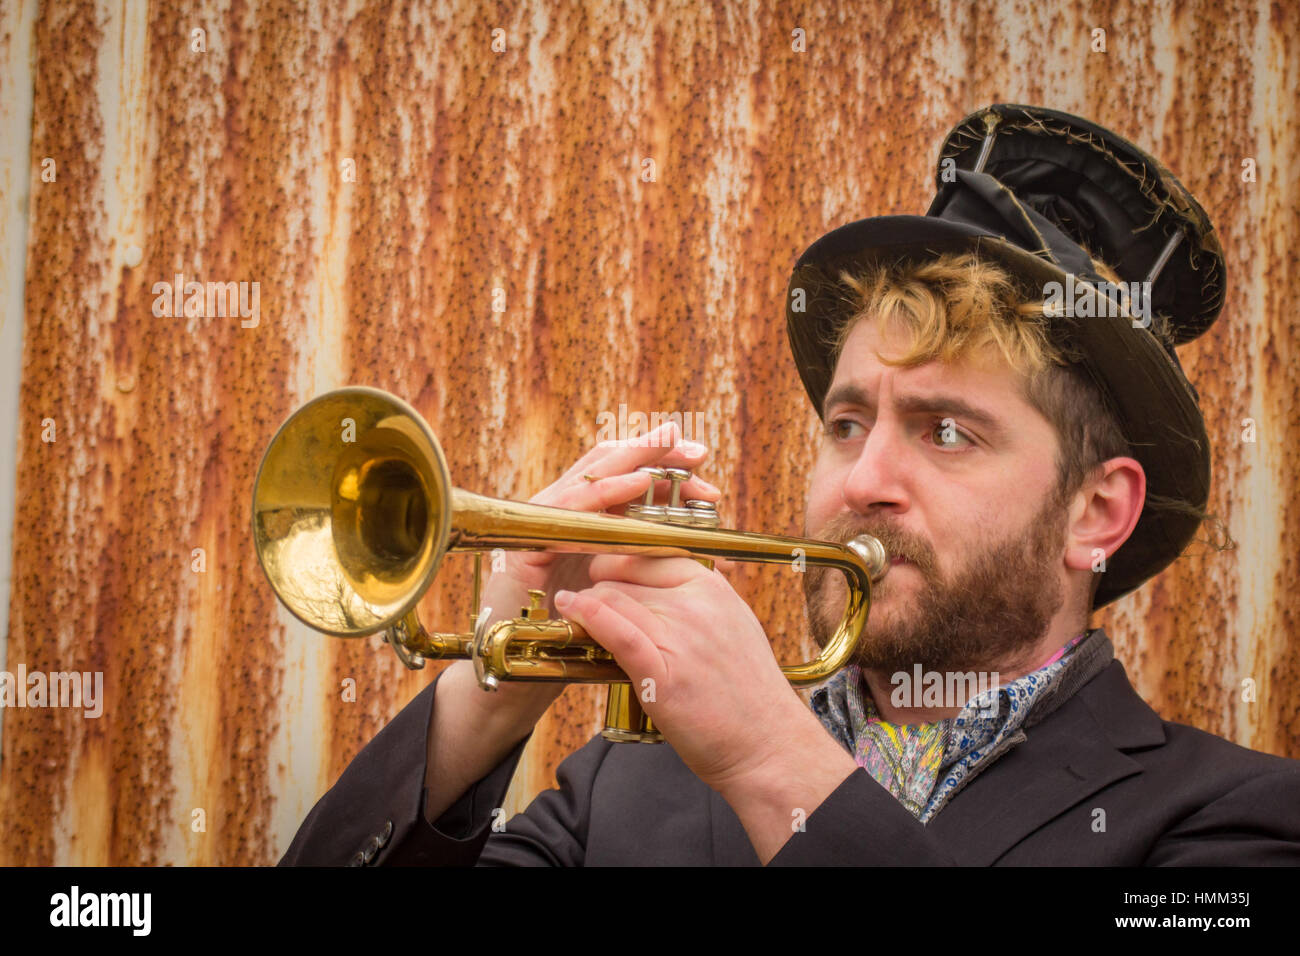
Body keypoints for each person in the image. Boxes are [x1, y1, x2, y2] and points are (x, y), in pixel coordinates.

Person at [279, 104, 1300, 866]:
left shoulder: (1235, 819)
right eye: (846, 422)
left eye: (946, 431)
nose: (864, 478)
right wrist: (489, 690)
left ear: (1097, 511)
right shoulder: (620, 789)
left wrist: (774, 760)